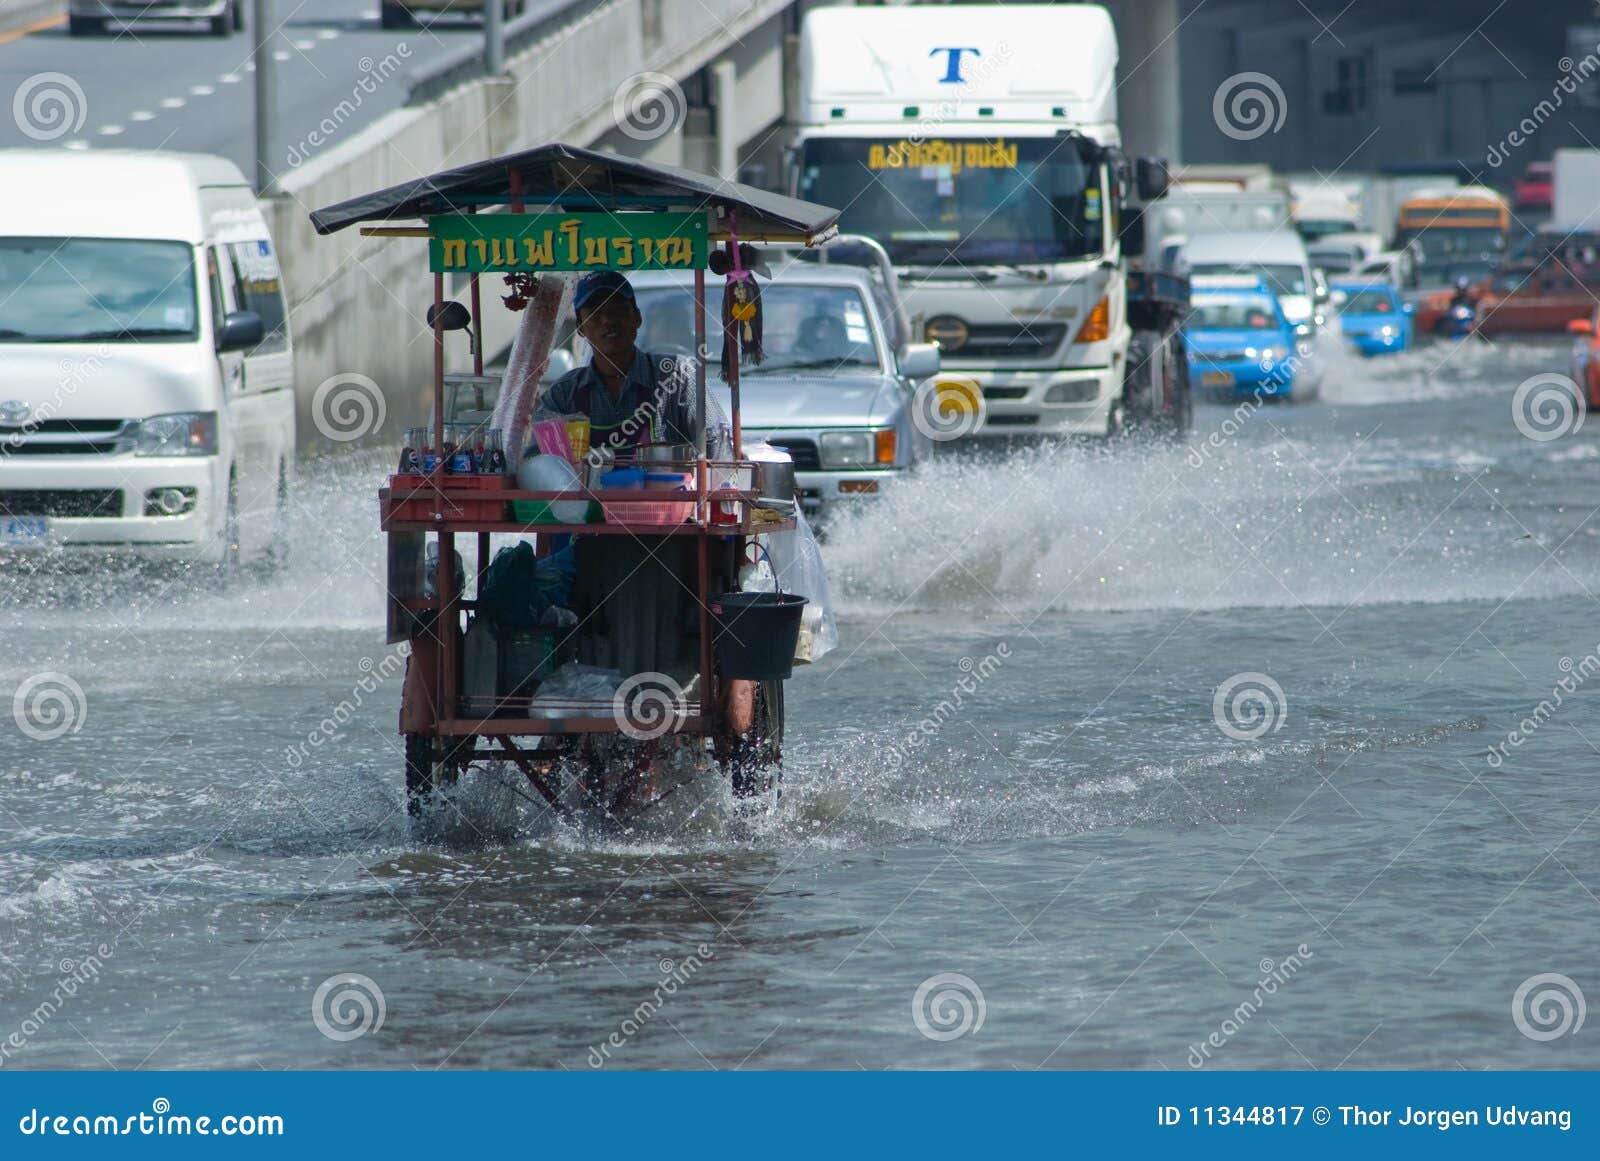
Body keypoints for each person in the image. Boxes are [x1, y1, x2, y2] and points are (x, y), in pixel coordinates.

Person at [535, 270, 708, 459]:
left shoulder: (678, 377)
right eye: (595, 313)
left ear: (637, 318)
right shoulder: (563, 394)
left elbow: (716, 448)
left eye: (617, 310)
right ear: (580, 328)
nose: (608, 321)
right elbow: (537, 462)